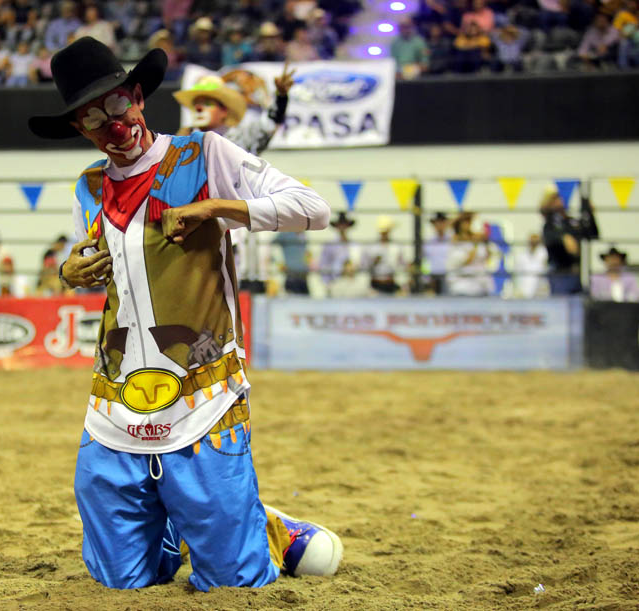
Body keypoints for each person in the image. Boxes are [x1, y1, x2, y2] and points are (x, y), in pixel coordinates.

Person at [28, 37, 342, 593]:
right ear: (79, 128)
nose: (111, 125)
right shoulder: (89, 188)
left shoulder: (205, 156)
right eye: (92, 118)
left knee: (232, 582)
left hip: (203, 395)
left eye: (117, 105)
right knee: (121, 579)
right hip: (117, 400)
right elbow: (94, 266)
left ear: (138, 96)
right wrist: (68, 271)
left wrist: (217, 207)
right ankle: (191, 519)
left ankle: (259, 525)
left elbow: (314, 210)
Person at [541, 189, 582, 295]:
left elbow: (590, 233)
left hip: (575, 270)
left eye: (559, 199)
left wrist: (589, 213)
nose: (560, 202)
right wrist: (563, 238)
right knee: (561, 301)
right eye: (555, 201)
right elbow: (550, 240)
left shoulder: (570, 222)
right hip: (560, 271)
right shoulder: (549, 225)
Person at [446, 211, 493, 296]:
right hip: (463, 287)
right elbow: (466, 260)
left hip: (481, 285)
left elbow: (487, 257)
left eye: (470, 221)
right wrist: (475, 244)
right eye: (466, 221)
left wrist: (485, 242)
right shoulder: (454, 242)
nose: (469, 224)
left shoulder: (479, 241)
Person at [361, 215, 404, 295]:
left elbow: (401, 265)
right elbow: (363, 266)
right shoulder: (371, 247)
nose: (385, 233)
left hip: (391, 282)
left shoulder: (396, 247)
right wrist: (374, 262)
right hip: (375, 283)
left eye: (387, 231)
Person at [318, 212, 359, 293]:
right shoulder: (329, 245)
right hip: (336, 283)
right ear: (337, 226)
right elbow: (324, 265)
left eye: (344, 224)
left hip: (352, 284)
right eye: (340, 224)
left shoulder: (354, 245)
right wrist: (327, 284)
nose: (342, 227)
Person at [423, 211, 452, 294]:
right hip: (433, 278)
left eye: (442, 222)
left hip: (449, 278)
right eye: (437, 222)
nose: (439, 225)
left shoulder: (452, 240)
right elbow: (424, 261)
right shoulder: (428, 242)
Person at [514, 232, 549, 298]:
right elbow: (517, 272)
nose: (533, 243)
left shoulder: (544, 254)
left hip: (540, 290)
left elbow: (545, 270)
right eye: (532, 241)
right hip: (524, 290)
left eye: (536, 241)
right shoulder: (522, 255)